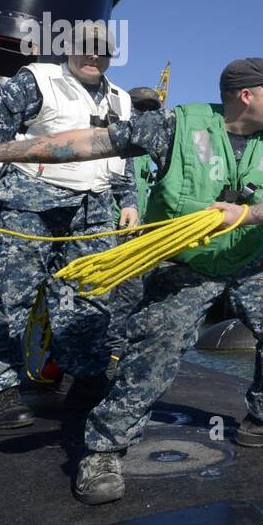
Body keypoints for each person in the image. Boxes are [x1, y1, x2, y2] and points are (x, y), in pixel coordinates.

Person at [0, 57, 263, 506]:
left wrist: (246, 215)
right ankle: (104, 449)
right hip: (183, 261)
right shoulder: (173, 125)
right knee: (155, 347)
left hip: (247, 258)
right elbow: (90, 143)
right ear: (246, 95)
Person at [0, 26, 137, 429]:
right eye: (85, 50)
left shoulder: (122, 99)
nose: (93, 58)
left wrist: (128, 199)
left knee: (89, 297)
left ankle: (85, 380)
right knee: (7, 294)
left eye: (103, 52)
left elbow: (123, 152)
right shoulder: (37, 80)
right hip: (31, 200)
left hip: (92, 209)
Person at [101, 86, 163, 375]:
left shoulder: (149, 154)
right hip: (107, 230)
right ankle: (100, 354)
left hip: (136, 236)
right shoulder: (115, 140)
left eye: (152, 110)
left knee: (132, 295)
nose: (146, 115)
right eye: (140, 109)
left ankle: (115, 352)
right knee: (100, 296)